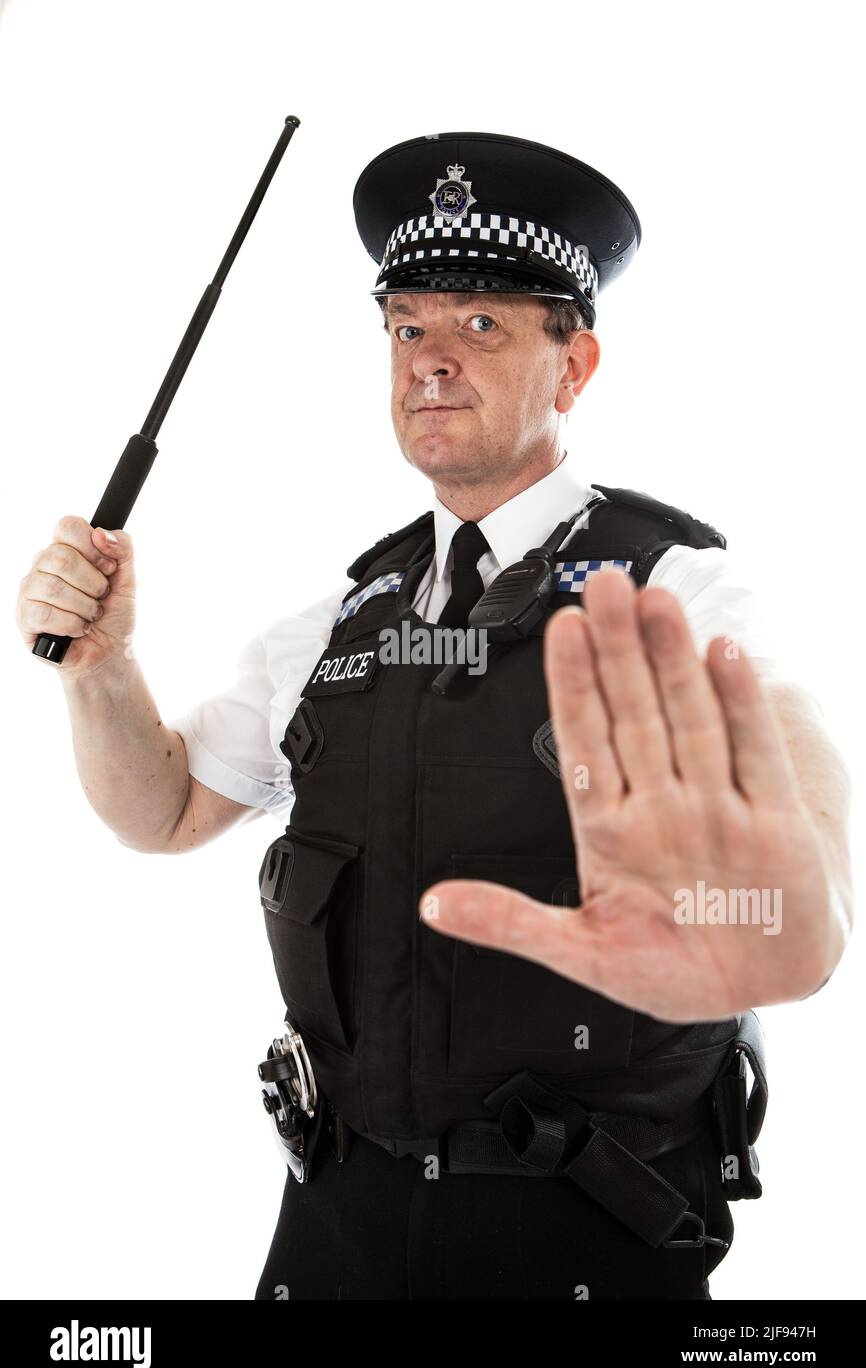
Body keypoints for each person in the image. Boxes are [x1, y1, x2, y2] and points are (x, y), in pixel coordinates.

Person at [16, 131, 853, 1301]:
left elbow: (798, 856)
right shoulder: (337, 622)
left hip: (579, 1245)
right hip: (332, 1235)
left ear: (575, 367)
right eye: (407, 326)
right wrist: (99, 667)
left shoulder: (674, 595)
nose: (430, 361)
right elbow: (161, 809)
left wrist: (779, 909)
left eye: (482, 326)